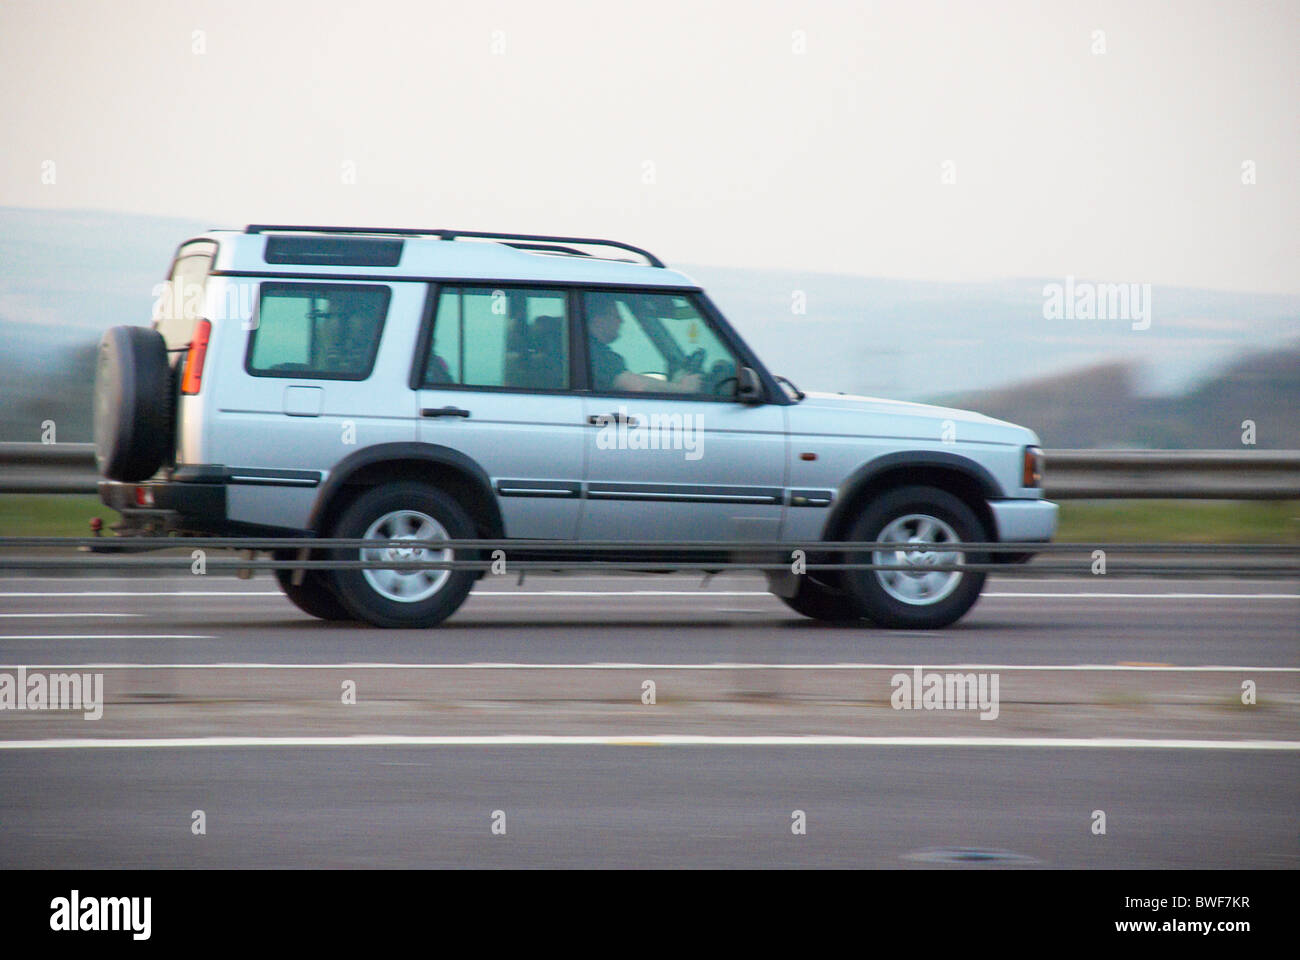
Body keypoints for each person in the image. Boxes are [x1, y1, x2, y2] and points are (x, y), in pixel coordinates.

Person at [586, 295, 703, 393]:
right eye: (616, 316)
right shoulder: (595, 355)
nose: (621, 321)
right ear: (598, 320)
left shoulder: (588, 350)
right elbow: (636, 385)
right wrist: (683, 388)